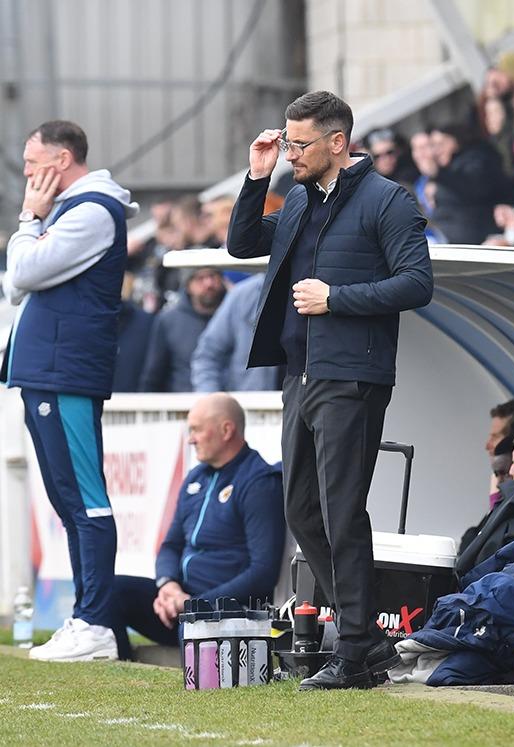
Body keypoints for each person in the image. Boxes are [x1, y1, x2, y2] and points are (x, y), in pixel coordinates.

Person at [226, 90, 433, 690]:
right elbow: (242, 243)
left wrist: (334, 299)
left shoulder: (387, 199)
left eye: (298, 144)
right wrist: (256, 175)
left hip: (353, 377)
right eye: (286, 142)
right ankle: (364, 642)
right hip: (300, 374)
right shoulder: (295, 196)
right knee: (302, 509)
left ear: (337, 142)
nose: (290, 152)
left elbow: (418, 283)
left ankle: (358, 648)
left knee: (342, 513)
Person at [0, 120, 139, 660]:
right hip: (49, 372)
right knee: (69, 500)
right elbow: (20, 278)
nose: (30, 176)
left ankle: (97, 624)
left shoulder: (90, 211)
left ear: (60, 161)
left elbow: (23, 273)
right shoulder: (73, 209)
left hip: (67, 373)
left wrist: (27, 220)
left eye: (34, 165)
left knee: (85, 501)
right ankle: (89, 619)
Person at [110, 393, 285, 660]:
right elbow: (170, 545)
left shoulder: (259, 482)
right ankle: (119, 674)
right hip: (181, 606)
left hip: (225, 611)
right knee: (109, 591)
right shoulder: (196, 476)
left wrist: (197, 605)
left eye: (196, 430)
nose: (190, 439)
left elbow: (263, 572)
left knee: (194, 627)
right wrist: (168, 586)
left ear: (227, 430)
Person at [139, 266, 226, 392]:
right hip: (182, 404)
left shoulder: (235, 314)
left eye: (213, 276)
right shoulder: (169, 320)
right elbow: (153, 375)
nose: (209, 283)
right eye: (200, 278)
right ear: (188, 285)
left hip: (230, 402)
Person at [191, 273, 281, 392]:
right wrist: (213, 402)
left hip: (304, 404)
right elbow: (207, 355)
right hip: (252, 406)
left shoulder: (312, 295)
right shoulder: (243, 295)